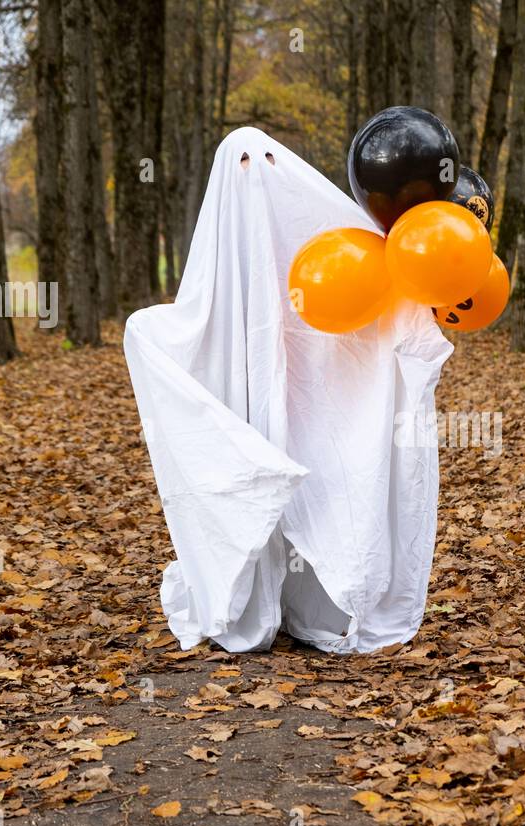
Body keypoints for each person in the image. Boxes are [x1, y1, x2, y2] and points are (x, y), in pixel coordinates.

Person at [124, 128, 453, 654]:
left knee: (315, 486)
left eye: (265, 163)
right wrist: (148, 332)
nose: (254, 176)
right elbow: (195, 320)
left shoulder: (315, 239)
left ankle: (315, 599)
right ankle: (249, 597)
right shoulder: (223, 256)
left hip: (299, 405)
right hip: (241, 392)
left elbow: (354, 293)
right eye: (244, 165)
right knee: (254, 483)